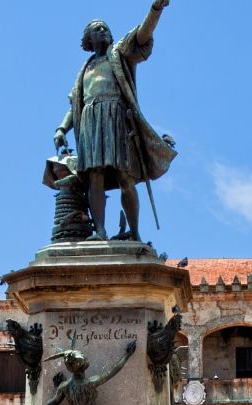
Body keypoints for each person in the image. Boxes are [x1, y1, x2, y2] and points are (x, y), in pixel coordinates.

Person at [53, 0, 176, 242]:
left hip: (116, 117)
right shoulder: (85, 69)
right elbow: (74, 104)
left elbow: (142, 33)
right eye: (98, 29)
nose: (104, 31)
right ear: (89, 39)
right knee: (94, 176)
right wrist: (61, 128)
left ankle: (135, 233)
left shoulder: (119, 53)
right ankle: (99, 231)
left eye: (106, 28)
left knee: (125, 177)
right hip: (89, 120)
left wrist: (155, 9)